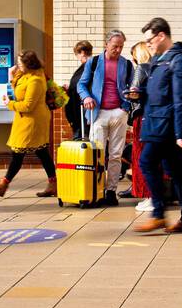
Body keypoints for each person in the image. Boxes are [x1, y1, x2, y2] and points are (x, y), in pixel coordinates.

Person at [132, 18, 182, 234]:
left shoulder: (179, 61)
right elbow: (158, 91)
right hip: (155, 120)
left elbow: (181, 99)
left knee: (147, 161)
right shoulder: (160, 60)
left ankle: (158, 214)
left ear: (161, 36)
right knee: (177, 172)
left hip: (165, 123)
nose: (148, 44)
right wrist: (139, 94)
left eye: (150, 40)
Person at [0, 50, 55, 199]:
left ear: (28, 64)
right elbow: (18, 90)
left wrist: (9, 104)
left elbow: (28, 105)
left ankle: (2, 185)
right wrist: (12, 76)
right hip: (25, 120)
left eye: (20, 63)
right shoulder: (26, 75)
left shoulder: (36, 80)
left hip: (32, 121)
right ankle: (53, 184)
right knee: (42, 152)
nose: (18, 66)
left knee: (18, 154)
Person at [77, 30, 134, 207]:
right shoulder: (94, 62)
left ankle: (111, 191)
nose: (118, 50)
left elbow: (132, 86)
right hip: (98, 113)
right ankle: (96, 190)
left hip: (119, 113)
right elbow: (81, 84)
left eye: (121, 47)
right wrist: (86, 97)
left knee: (116, 154)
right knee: (97, 154)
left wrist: (126, 107)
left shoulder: (127, 64)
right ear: (106, 44)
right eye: (115, 46)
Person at [125, 40, 156, 212]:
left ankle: (149, 196)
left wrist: (128, 95)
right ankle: (153, 197)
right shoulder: (157, 67)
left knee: (141, 157)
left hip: (141, 118)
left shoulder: (141, 68)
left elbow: (134, 93)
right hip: (154, 118)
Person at [63, 40, 93, 140]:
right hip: (80, 114)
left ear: (82, 53)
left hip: (83, 114)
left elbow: (82, 86)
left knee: (84, 142)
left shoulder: (88, 67)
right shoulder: (88, 67)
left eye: (77, 54)